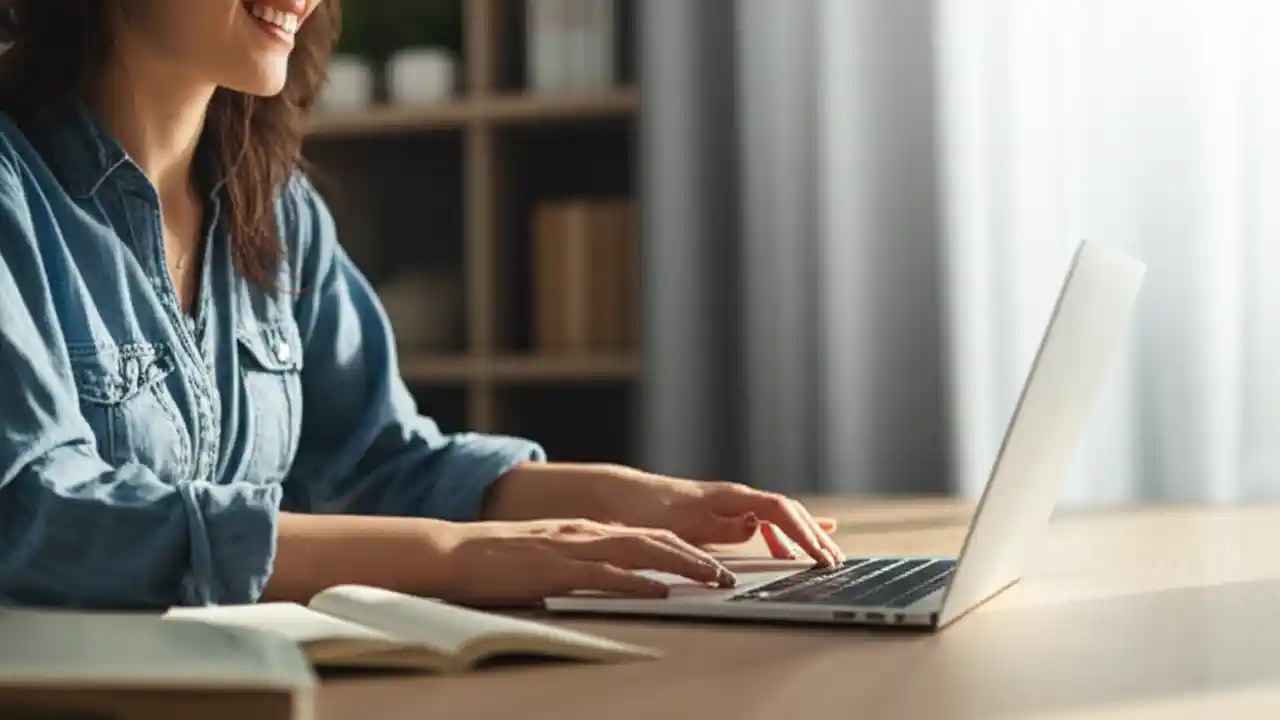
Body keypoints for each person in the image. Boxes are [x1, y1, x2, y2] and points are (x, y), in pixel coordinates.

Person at [0, 0, 843, 609]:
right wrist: (453, 555)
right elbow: (42, 514)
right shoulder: (16, 194)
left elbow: (374, 462)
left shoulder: (278, 211)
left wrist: (635, 499)